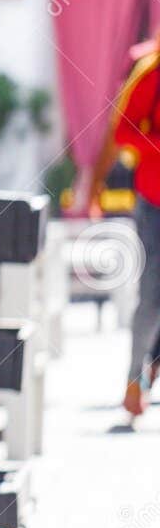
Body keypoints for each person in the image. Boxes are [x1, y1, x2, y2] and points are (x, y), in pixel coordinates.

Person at [108, 39, 160, 417]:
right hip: (155, 199)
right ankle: (133, 379)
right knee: (152, 293)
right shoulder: (151, 72)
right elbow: (123, 132)